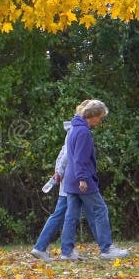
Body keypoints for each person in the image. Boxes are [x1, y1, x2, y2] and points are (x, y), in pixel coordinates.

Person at [59, 99, 129, 261]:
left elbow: (71, 157)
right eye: (100, 117)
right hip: (81, 179)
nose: (100, 121)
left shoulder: (74, 129)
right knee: (100, 210)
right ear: (94, 115)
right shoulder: (83, 132)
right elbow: (80, 158)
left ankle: (66, 251)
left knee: (72, 215)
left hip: (70, 178)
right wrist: (83, 178)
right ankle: (107, 249)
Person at [31, 120, 98, 261]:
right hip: (70, 180)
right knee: (65, 214)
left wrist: (58, 171)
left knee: (60, 214)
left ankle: (42, 247)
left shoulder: (72, 130)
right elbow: (67, 155)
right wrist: (59, 172)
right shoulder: (76, 131)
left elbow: (63, 153)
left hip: (67, 179)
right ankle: (58, 250)